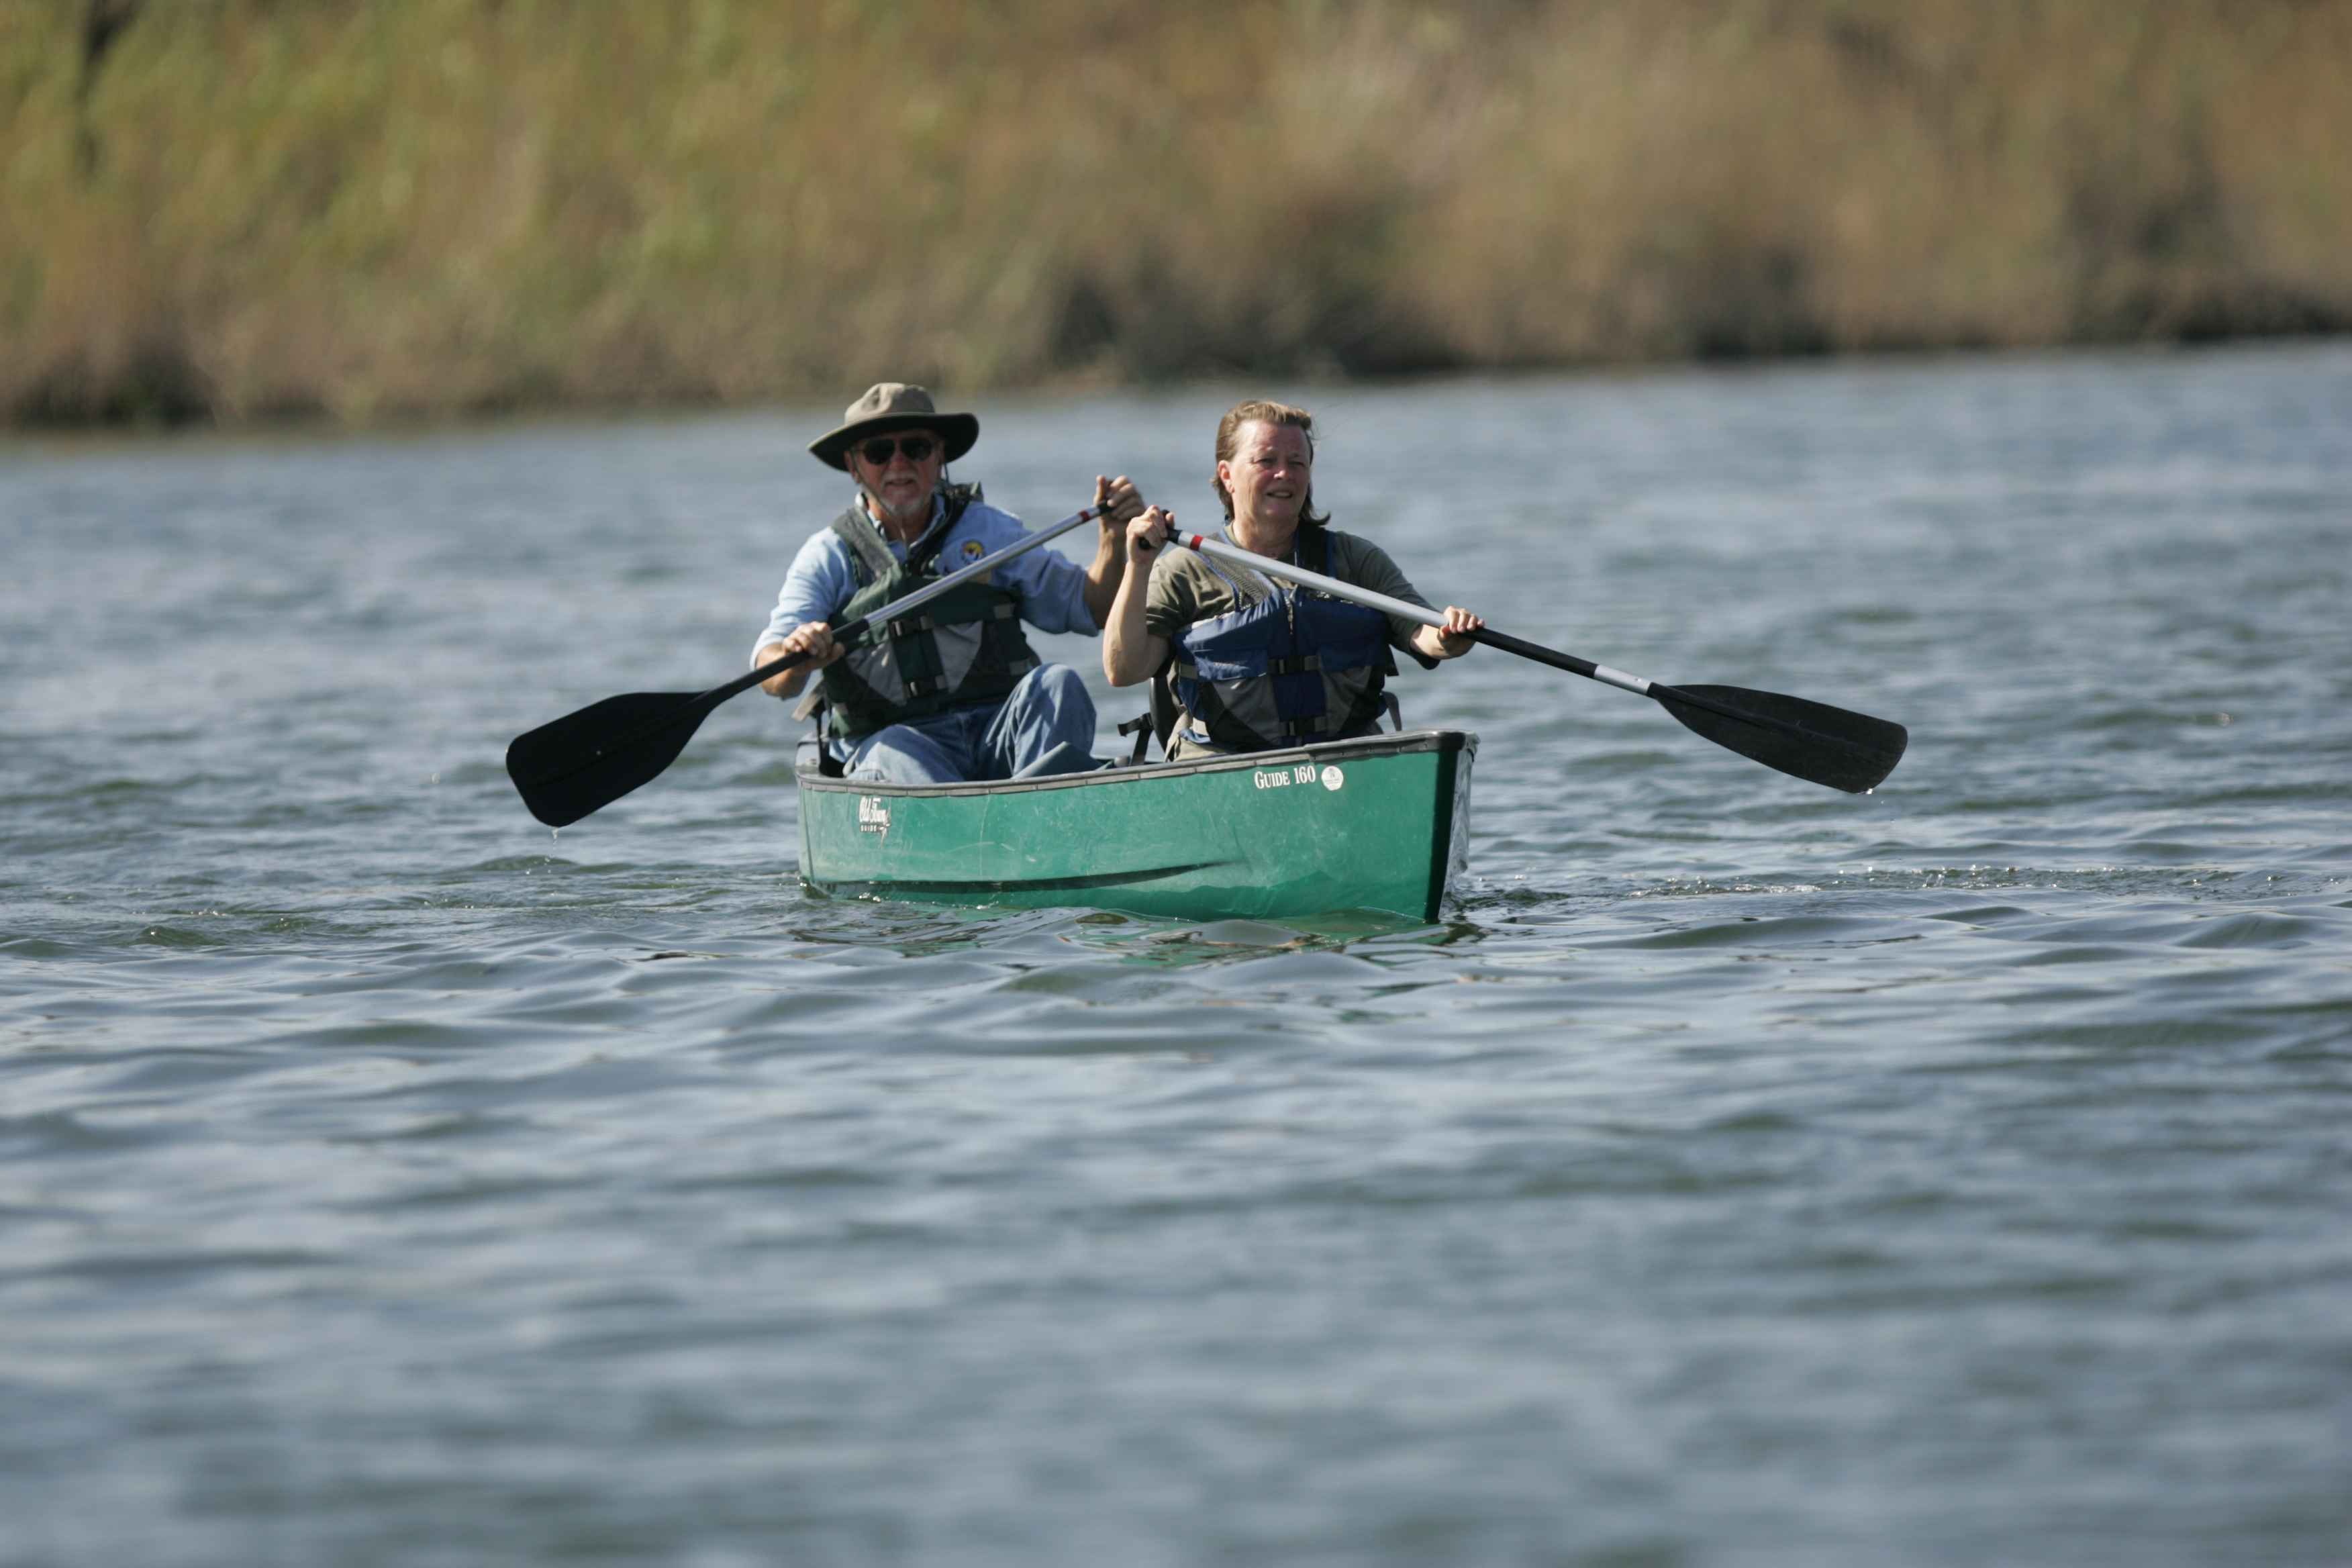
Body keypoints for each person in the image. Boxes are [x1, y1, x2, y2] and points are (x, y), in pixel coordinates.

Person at [753, 383, 1145, 783]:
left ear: (939, 456)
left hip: (997, 732)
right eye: (879, 452)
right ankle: (970, 820)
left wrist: (1113, 540)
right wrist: (797, 654)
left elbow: (1093, 609)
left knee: (1059, 684)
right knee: (897, 751)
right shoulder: (828, 555)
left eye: (916, 448)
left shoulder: (992, 531)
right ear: (855, 467)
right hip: (894, 745)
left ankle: (1038, 807)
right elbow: (772, 674)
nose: (899, 464)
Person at [1102, 398, 1482, 757]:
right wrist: (1138, 566)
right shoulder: (1182, 572)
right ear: (1227, 475)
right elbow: (1124, 669)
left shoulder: (1355, 560)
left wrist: (1451, 634)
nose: (1284, 473)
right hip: (1224, 770)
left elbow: (1424, 634)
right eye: (1266, 460)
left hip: (1345, 764)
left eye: (1297, 463)